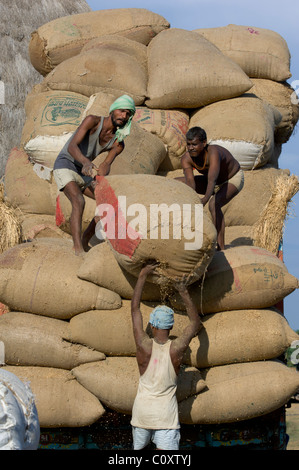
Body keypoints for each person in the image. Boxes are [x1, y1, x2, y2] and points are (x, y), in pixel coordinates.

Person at [130, 262, 203, 451]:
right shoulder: (177, 349)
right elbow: (195, 324)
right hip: (166, 418)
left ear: (152, 325)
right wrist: (183, 291)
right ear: (170, 327)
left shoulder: (143, 346)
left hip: (141, 415)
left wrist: (142, 276)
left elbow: (135, 309)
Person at [53, 94, 136, 255]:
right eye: (121, 111)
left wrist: (102, 180)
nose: (123, 116)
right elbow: (72, 147)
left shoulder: (118, 143)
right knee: (78, 200)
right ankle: (77, 248)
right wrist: (85, 162)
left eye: (127, 114)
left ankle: (85, 239)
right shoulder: (93, 121)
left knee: (108, 203)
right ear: (113, 110)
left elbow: (106, 165)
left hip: (83, 171)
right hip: (65, 164)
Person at [179, 126, 244, 251]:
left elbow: (212, 179)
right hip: (213, 183)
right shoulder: (186, 159)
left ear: (204, 143)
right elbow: (190, 182)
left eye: (194, 144)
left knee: (214, 204)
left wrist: (204, 199)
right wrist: (192, 201)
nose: (191, 148)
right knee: (177, 183)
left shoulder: (214, 153)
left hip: (231, 179)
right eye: (188, 144)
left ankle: (220, 247)